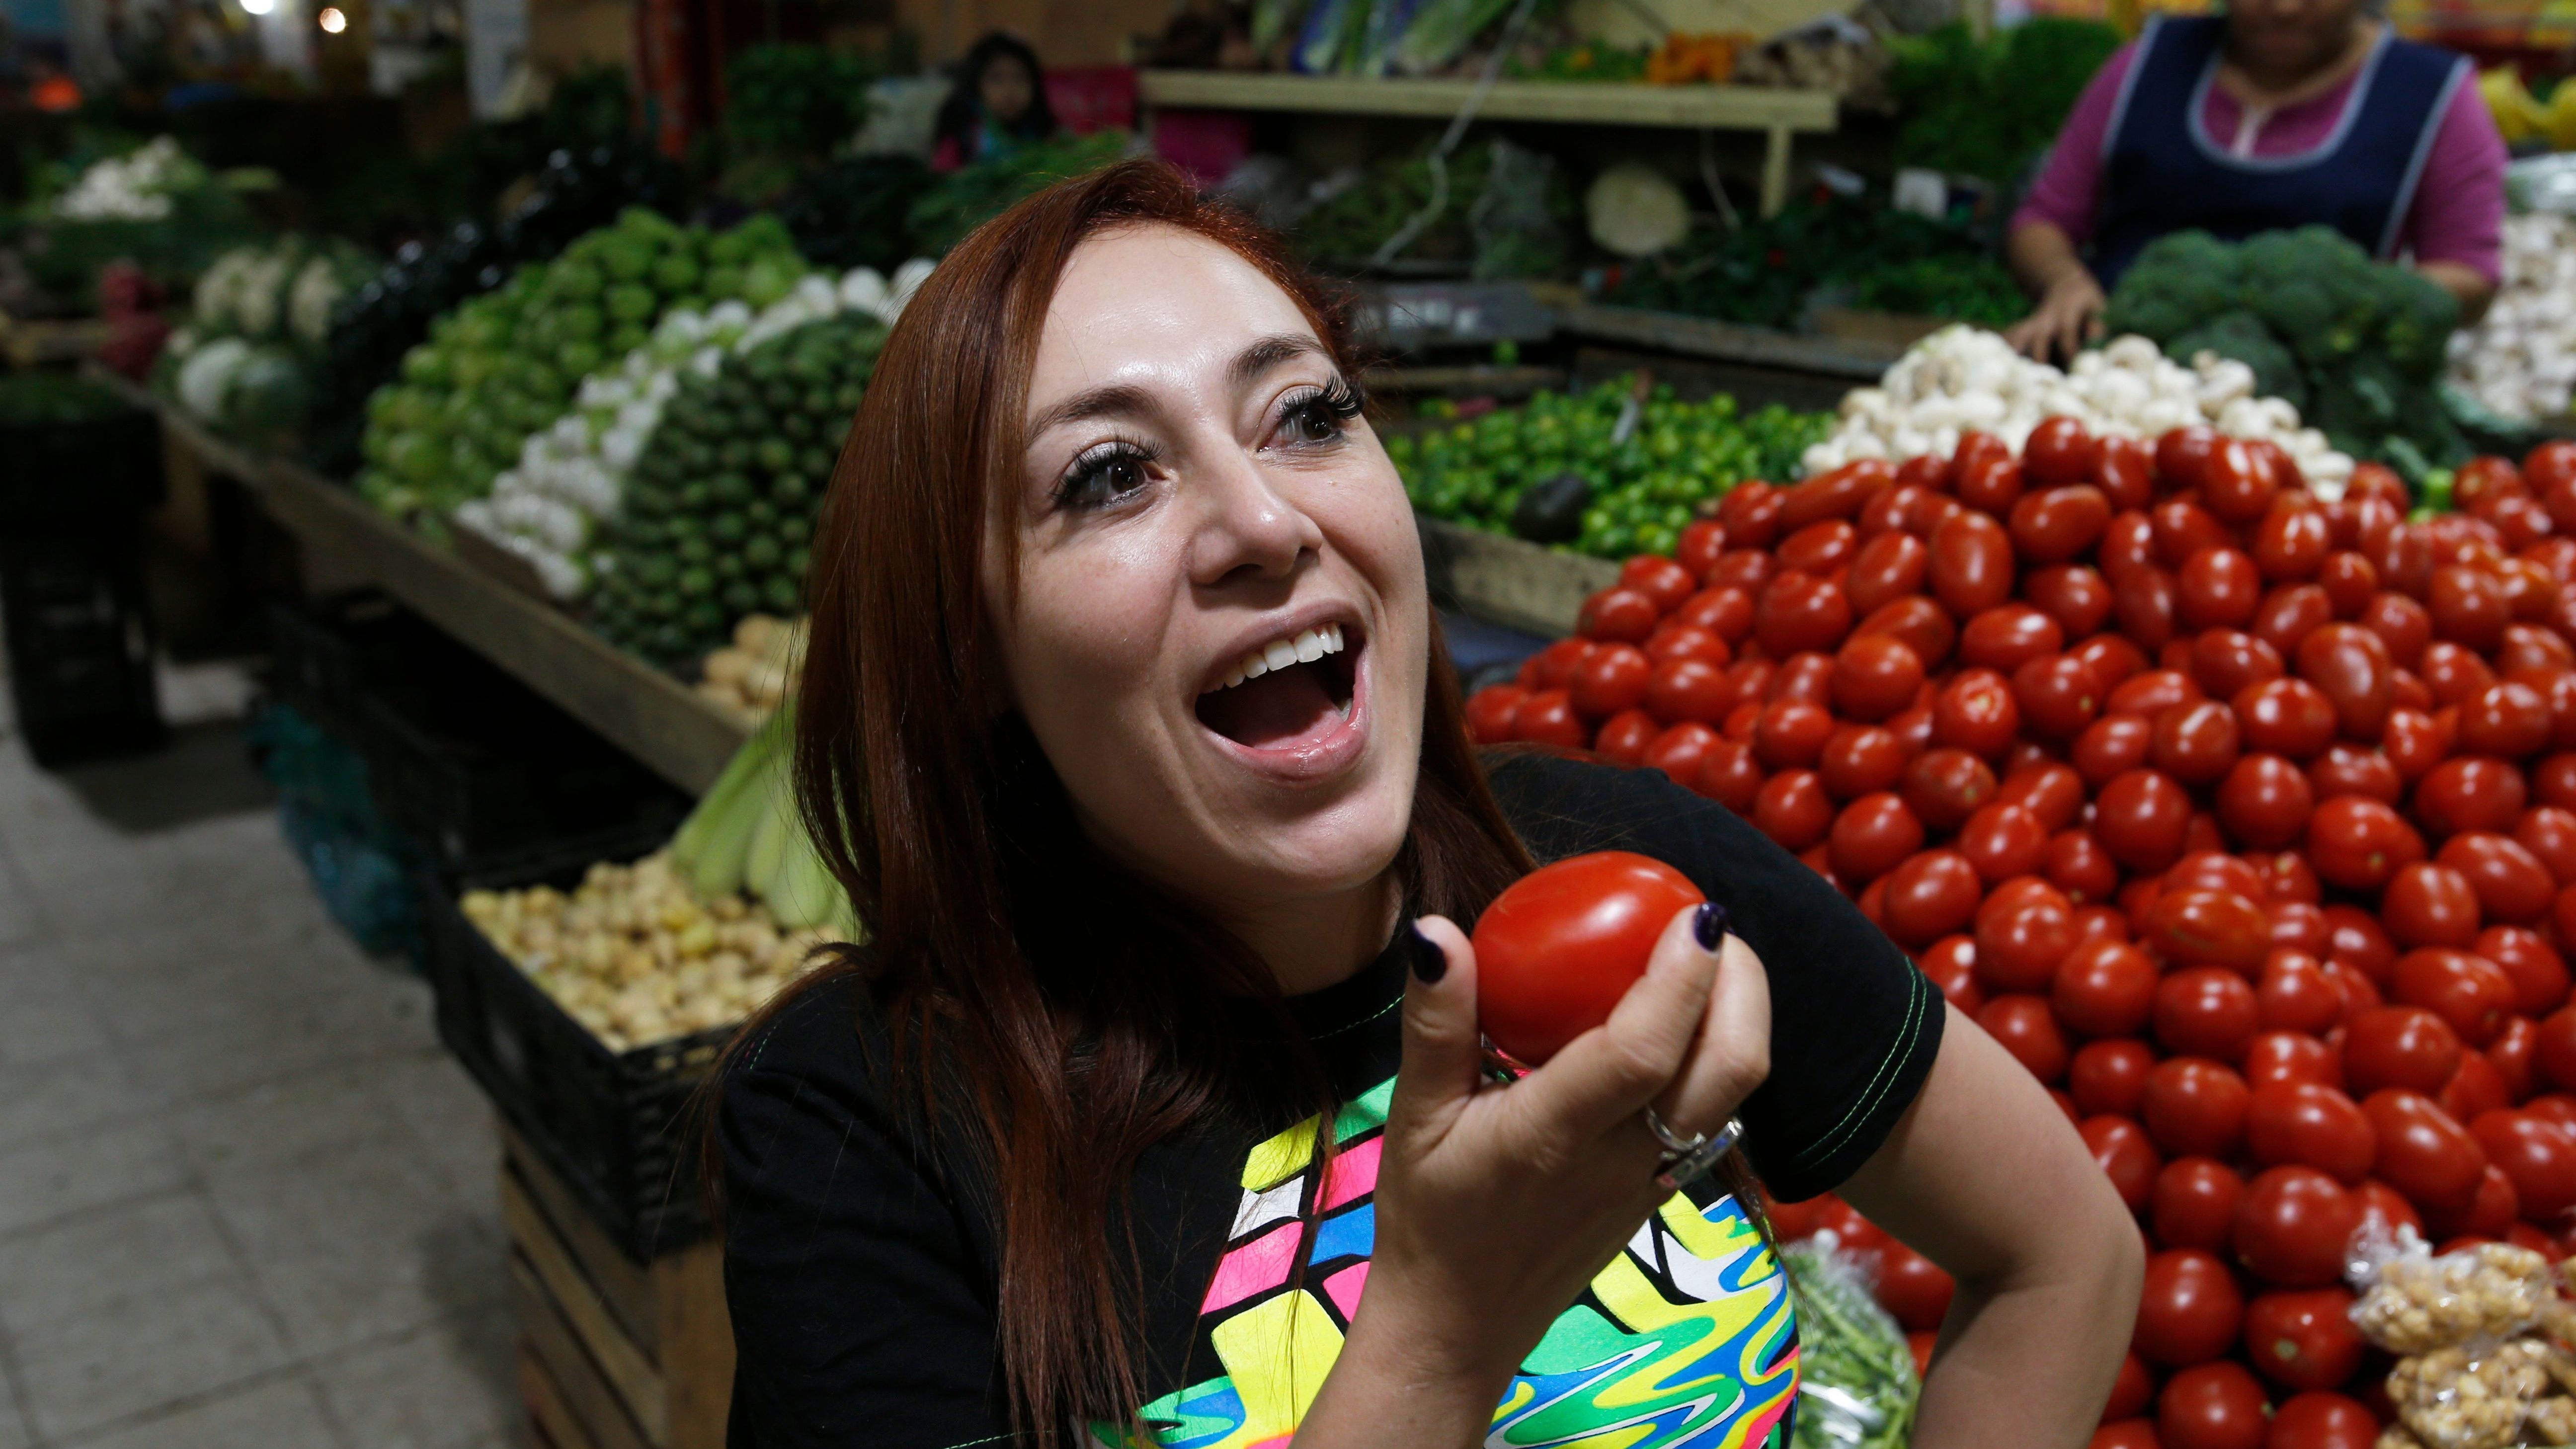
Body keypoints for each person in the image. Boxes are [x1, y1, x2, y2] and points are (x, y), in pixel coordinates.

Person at [713, 158, 2141, 1449]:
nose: (1268, 521)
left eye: (1307, 414)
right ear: (972, 652)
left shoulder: (1620, 874)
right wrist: (1439, 1337)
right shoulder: (860, 1129)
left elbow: (2066, 1255)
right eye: (1108, 475)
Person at [2004, 0, 2507, 362]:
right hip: (2114, 372)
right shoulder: (2142, 64)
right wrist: (2064, 281)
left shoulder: (2436, 95)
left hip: (2312, 397)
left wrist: (2353, 298)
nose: (2284, 8)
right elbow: (2044, 220)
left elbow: (2471, 272)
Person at [931, 31, 1058, 172]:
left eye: (1020, 78)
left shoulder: (1042, 131)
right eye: (997, 79)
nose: (1010, 90)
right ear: (976, 85)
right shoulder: (962, 131)